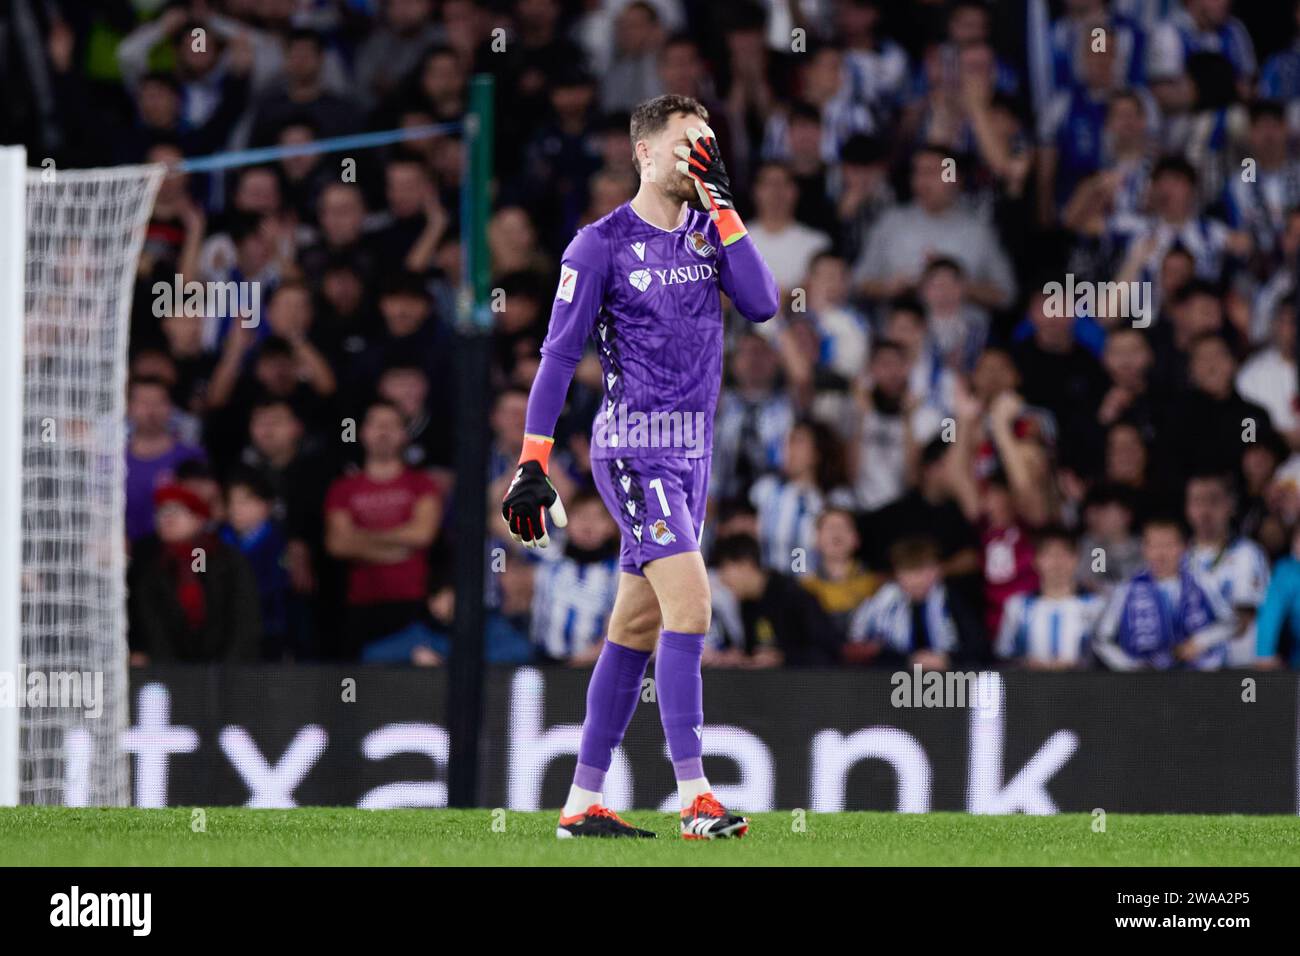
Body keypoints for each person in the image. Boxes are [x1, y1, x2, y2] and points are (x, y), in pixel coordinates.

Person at [501, 95, 778, 839]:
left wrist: (723, 202)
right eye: (689, 145)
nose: (701, 156)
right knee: (692, 606)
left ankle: (582, 801)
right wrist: (533, 460)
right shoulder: (600, 244)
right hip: (635, 447)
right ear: (645, 154)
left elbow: (761, 304)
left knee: (635, 624)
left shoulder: (709, 232)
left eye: (710, 145)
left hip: (693, 455)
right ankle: (695, 797)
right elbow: (558, 357)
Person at [325, 401, 442, 660]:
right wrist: (399, 547)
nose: (384, 432)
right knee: (364, 690)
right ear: (363, 432)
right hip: (361, 604)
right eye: (377, 425)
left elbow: (423, 535)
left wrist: (362, 538)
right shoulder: (343, 488)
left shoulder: (421, 484)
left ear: (404, 434)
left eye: (392, 425)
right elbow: (338, 544)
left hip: (412, 603)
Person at [127, 482, 261, 663]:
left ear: (198, 519)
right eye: (162, 511)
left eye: (176, 511)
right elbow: (150, 626)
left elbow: (241, 618)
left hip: (225, 672)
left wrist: (230, 670)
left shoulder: (221, 559)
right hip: (170, 673)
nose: (167, 518)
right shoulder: (150, 563)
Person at [1094, 515, 1234, 670]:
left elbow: (1231, 623)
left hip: (1198, 678)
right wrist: (1130, 666)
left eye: (1168, 545)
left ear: (1184, 547)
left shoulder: (1201, 581)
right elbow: (1102, 639)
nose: (1161, 554)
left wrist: (1200, 642)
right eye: (1153, 546)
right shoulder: (1127, 589)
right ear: (1144, 549)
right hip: (1146, 683)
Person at [996, 527, 1103, 670]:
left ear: (1076, 559)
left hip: (1085, 688)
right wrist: (1026, 663)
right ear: (1035, 560)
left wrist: (1079, 665)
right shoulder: (1017, 606)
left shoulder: (1096, 605)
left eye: (1064, 554)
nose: (1057, 562)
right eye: (1048, 554)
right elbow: (1003, 654)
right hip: (1030, 687)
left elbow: (1107, 655)